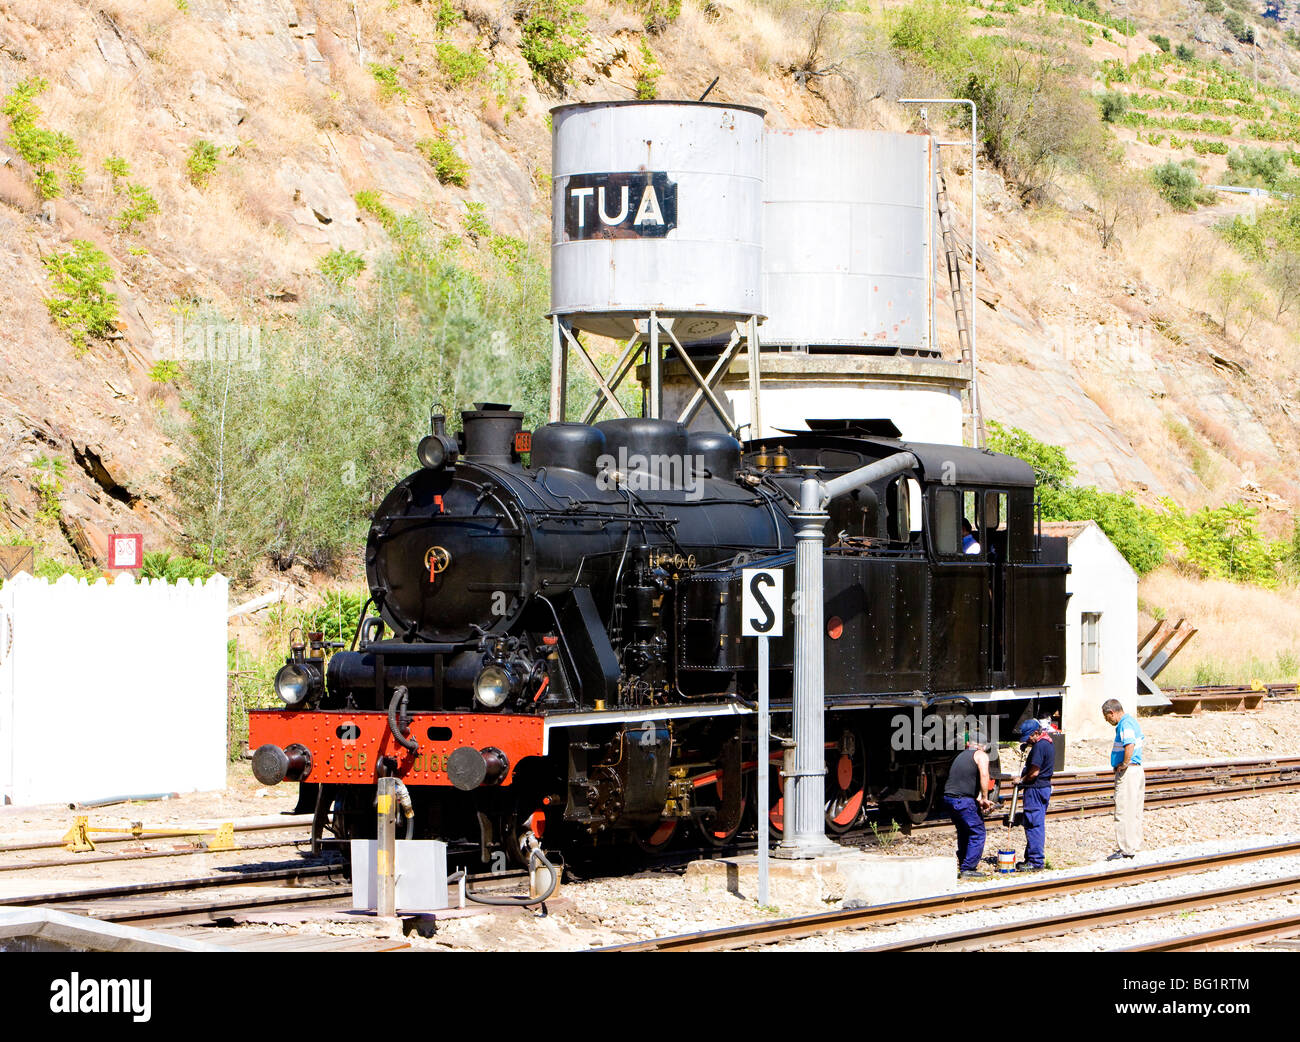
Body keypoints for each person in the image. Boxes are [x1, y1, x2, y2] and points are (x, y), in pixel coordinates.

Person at [943, 730, 994, 879]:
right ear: (982, 746)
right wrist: (984, 798)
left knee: (964, 831)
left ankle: (963, 863)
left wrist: (977, 796)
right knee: (978, 832)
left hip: (949, 799)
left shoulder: (960, 756)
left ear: (968, 744)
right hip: (962, 800)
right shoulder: (980, 755)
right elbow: (984, 775)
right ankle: (968, 868)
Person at [1102, 698, 1145, 860]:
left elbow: (1129, 745)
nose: (1108, 722)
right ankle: (1134, 845)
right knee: (1134, 809)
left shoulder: (1125, 724)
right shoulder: (1131, 722)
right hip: (1137, 770)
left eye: (1107, 718)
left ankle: (1126, 848)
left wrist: (1124, 764)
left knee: (1123, 810)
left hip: (1129, 772)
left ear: (1111, 712)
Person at [1015, 718, 1055, 872]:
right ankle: (1030, 858)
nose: (1028, 741)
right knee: (1035, 823)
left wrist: (1021, 781)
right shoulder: (1048, 743)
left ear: (1036, 733)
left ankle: (1036, 861)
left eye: (1029, 738)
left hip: (1035, 789)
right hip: (1043, 788)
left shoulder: (1039, 746)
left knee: (1033, 825)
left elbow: (1034, 772)